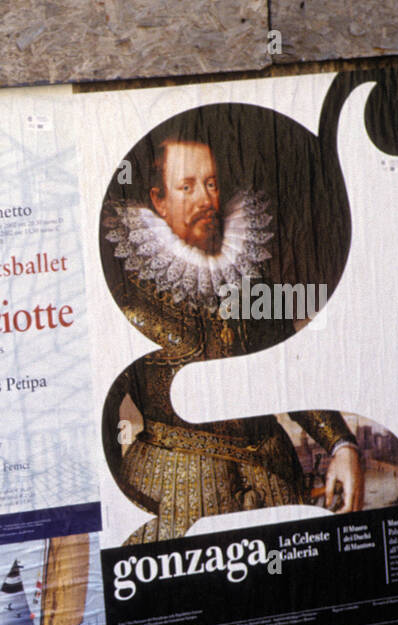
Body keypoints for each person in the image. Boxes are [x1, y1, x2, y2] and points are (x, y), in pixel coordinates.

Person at [101, 135, 363, 543]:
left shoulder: (246, 276)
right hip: (174, 492)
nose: (204, 198)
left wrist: (341, 445)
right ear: (158, 199)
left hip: (273, 480)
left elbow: (288, 371)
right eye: (186, 187)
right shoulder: (127, 293)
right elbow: (101, 407)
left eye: (211, 183)